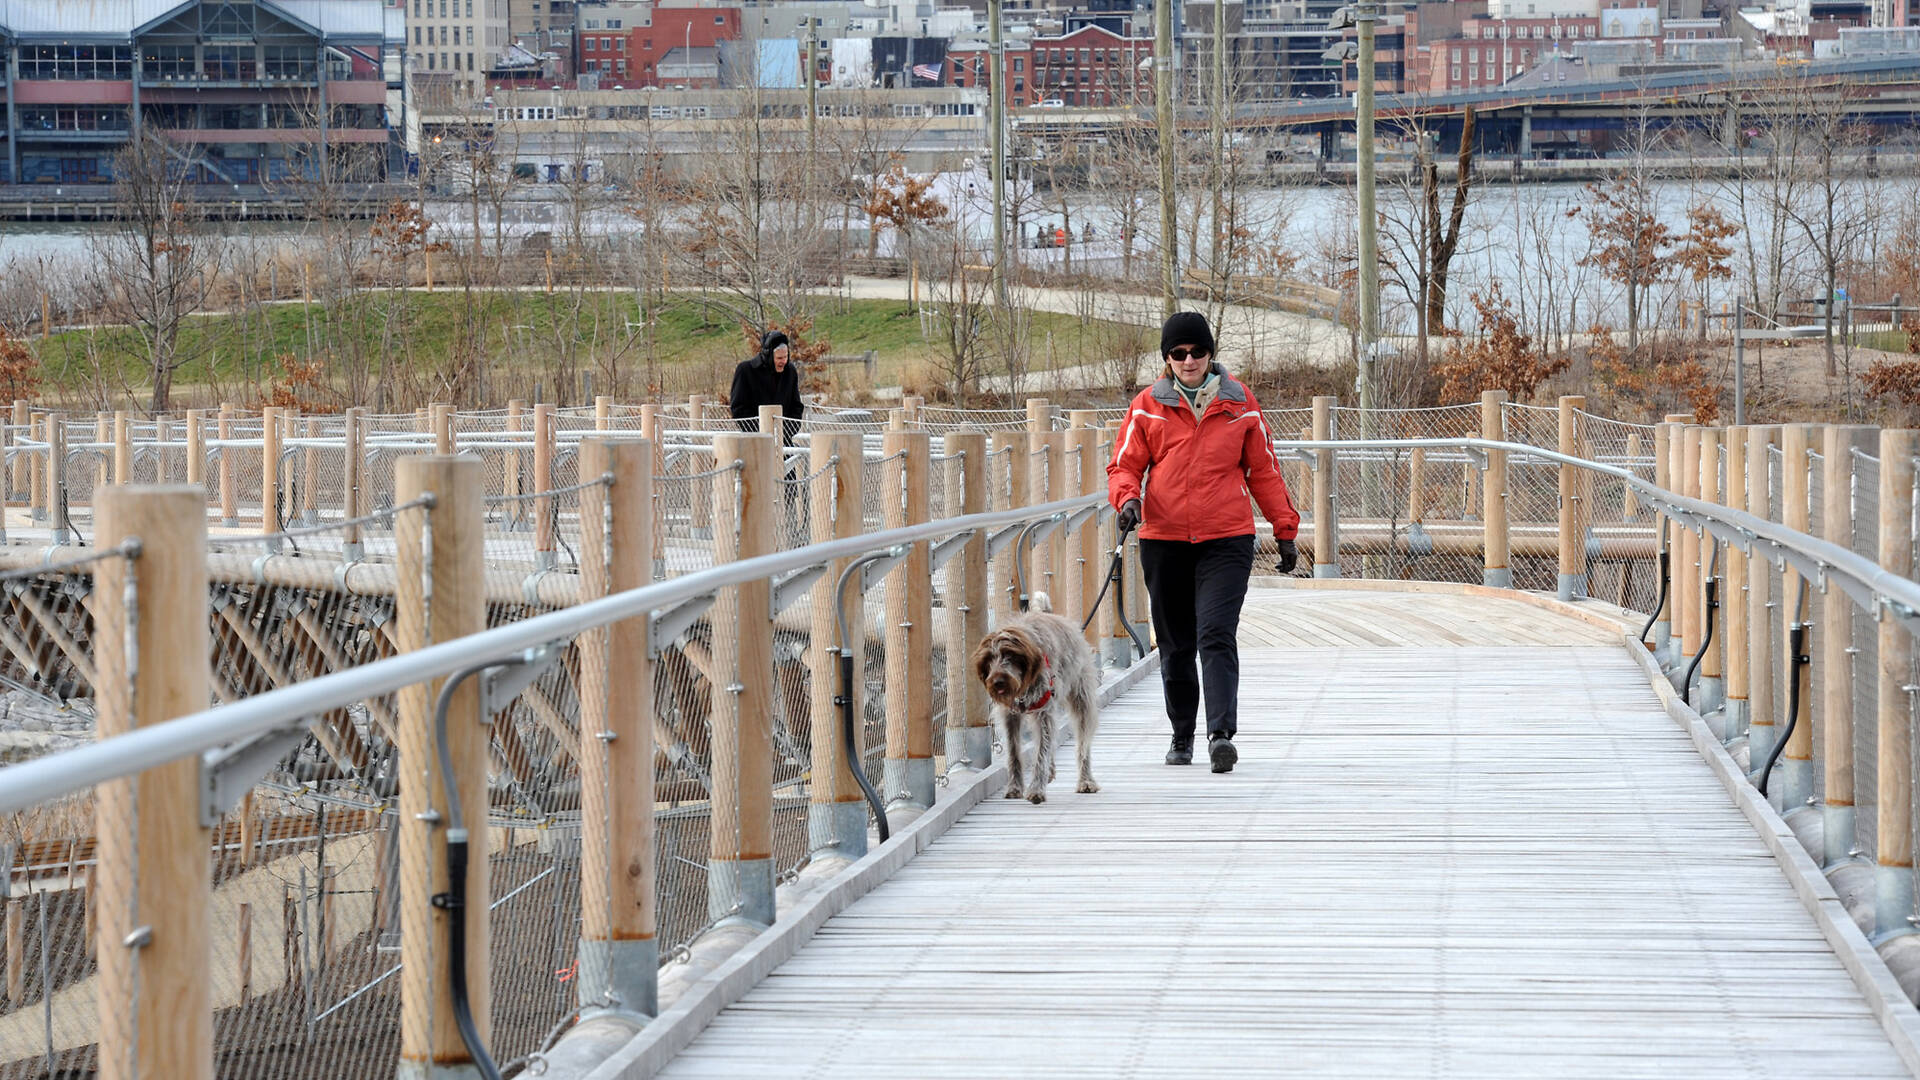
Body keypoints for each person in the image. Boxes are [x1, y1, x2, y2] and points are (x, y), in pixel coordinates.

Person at [1107, 312, 1300, 773]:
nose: (1188, 360)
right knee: (1176, 645)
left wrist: (1285, 529)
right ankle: (1181, 734)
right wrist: (1128, 500)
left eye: (1197, 351)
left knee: (1215, 633)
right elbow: (1124, 466)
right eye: (1179, 353)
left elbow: (1264, 470)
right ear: (1167, 358)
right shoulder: (1146, 407)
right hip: (1165, 538)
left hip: (1226, 538)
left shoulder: (1240, 402)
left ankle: (1220, 735)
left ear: (1211, 354)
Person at [729, 330, 805, 444]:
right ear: (768, 355)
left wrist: (784, 432)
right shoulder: (745, 370)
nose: (784, 361)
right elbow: (738, 409)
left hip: (784, 440)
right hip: (754, 441)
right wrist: (763, 433)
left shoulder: (790, 371)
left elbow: (796, 407)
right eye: (779, 358)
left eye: (786, 357)